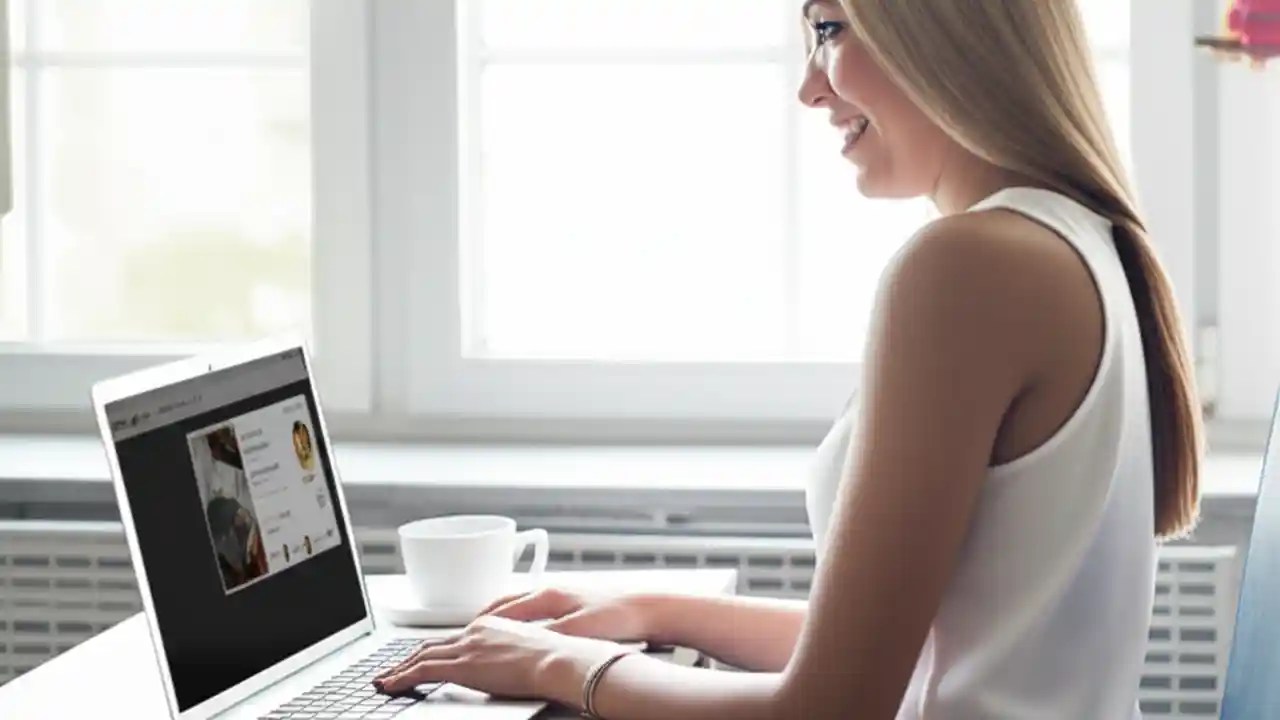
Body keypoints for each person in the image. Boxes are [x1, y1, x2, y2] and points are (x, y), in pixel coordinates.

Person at [374, 2, 1203, 717]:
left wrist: (558, 666)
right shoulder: (1077, 241)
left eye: (830, 29)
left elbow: (831, 707)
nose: (810, 86)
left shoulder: (968, 269)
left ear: (942, 26)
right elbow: (918, 652)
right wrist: (646, 608)